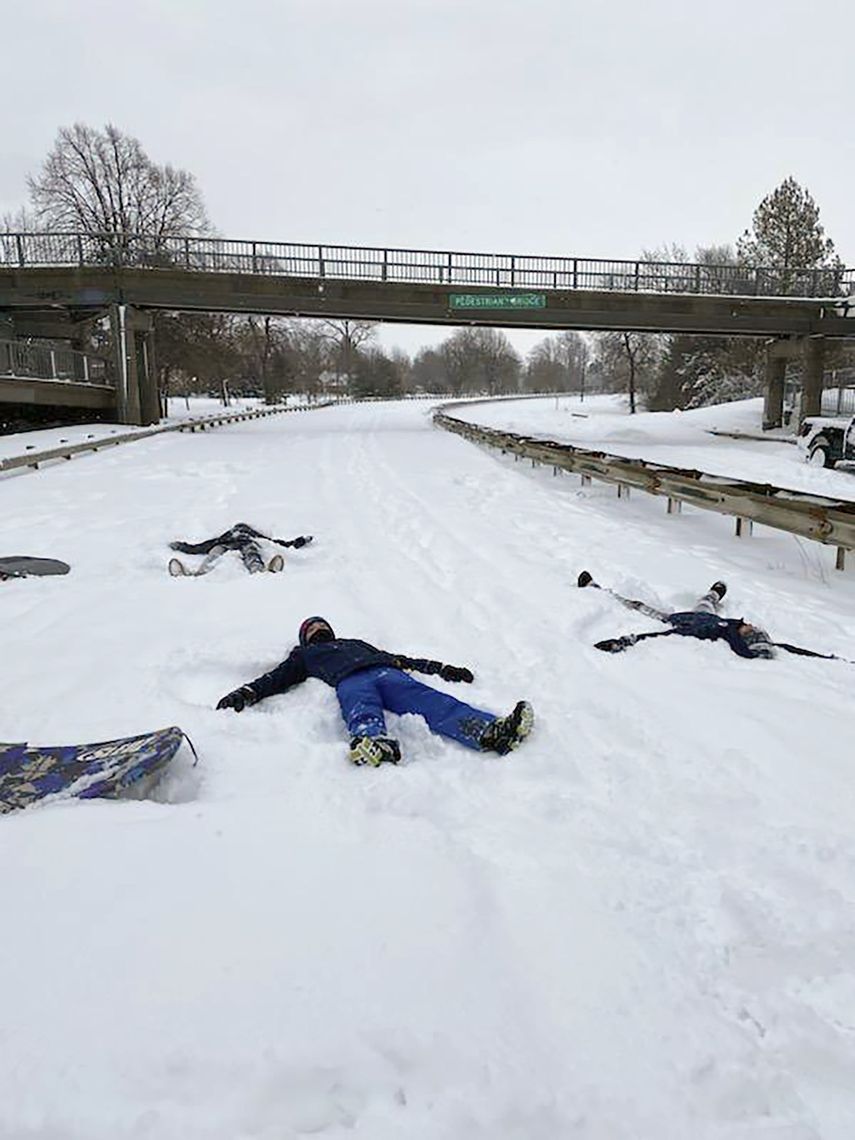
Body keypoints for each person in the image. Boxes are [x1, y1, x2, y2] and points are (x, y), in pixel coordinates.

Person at [216, 615, 534, 766]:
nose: (317, 628)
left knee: (431, 700)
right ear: (304, 639)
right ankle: (372, 740)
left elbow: (402, 659)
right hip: (349, 679)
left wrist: (442, 669)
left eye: (320, 624)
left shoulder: (357, 644)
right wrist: (246, 692)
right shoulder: (305, 656)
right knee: (359, 703)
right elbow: (277, 678)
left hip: (386, 672)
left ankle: (489, 731)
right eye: (310, 628)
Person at [579, 572, 776, 659]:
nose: (752, 625)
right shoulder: (730, 626)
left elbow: (662, 637)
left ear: (745, 637)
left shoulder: (708, 633)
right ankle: (715, 593)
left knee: (637, 606)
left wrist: (621, 642)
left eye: (752, 630)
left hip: (676, 620)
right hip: (704, 613)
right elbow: (786, 647)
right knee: (706, 602)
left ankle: (595, 588)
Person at [168, 522, 312, 577]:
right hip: (224, 545)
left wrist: (299, 541)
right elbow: (200, 547)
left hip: (247, 545)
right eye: (237, 530)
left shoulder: (252, 537)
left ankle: (261, 572)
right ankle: (198, 574)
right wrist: (180, 546)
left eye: (243, 530)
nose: (239, 532)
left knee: (252, 553)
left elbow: (279, 543)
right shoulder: (224, 538)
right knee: (214, 553)